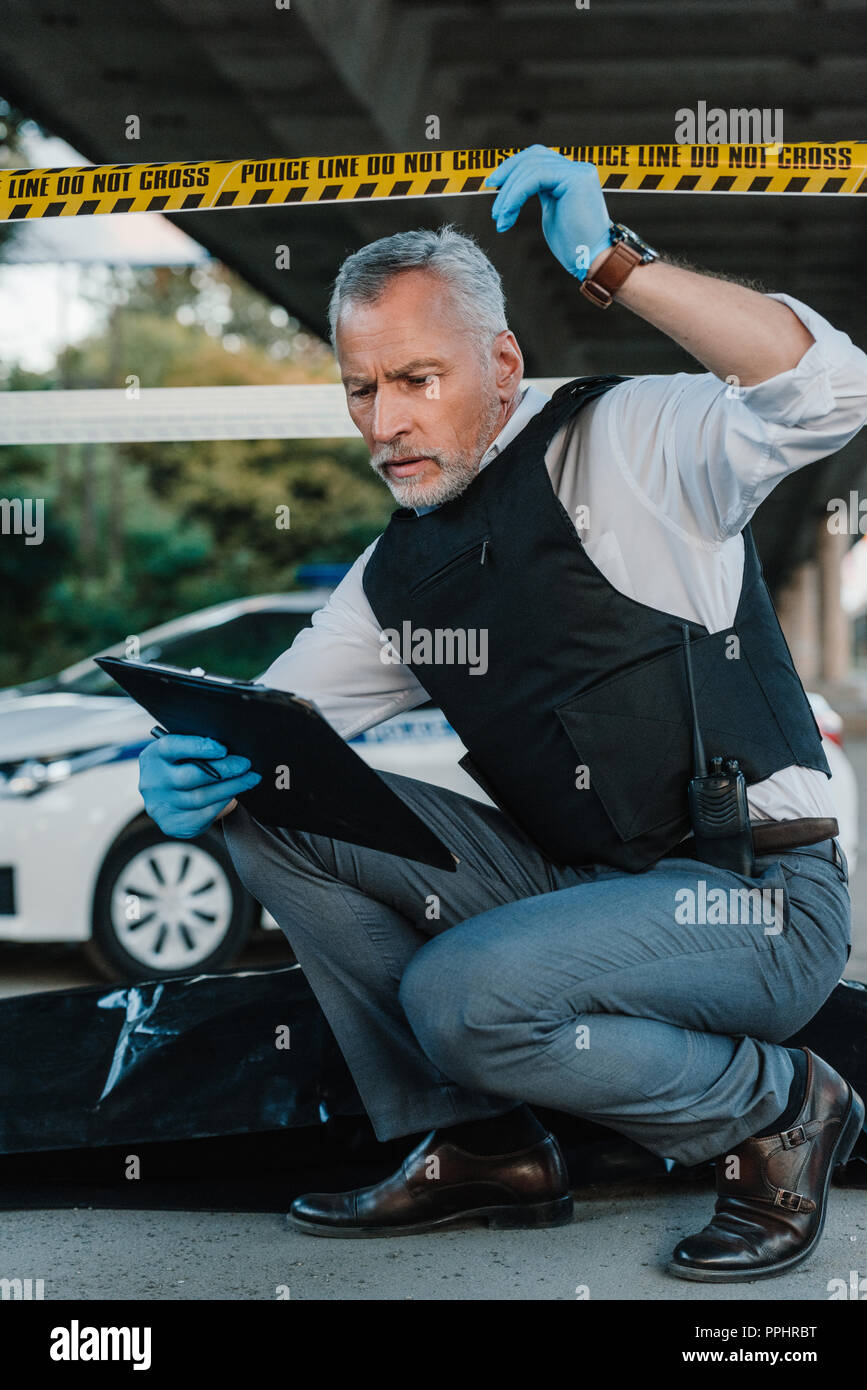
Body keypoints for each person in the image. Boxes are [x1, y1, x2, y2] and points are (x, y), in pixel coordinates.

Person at [139, 147, 867, 1282]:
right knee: (270, 799)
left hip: (758, 902)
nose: (386, 420)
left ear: (503, 364)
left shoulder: (626, 443)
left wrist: (618, 264)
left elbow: (832, 389)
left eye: (419, 378)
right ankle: (483, 1142)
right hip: (581, 889)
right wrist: (183, 764)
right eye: (362, 387)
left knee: (462, 995)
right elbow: (269, 720)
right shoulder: (399, 575)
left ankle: (774, 1112)